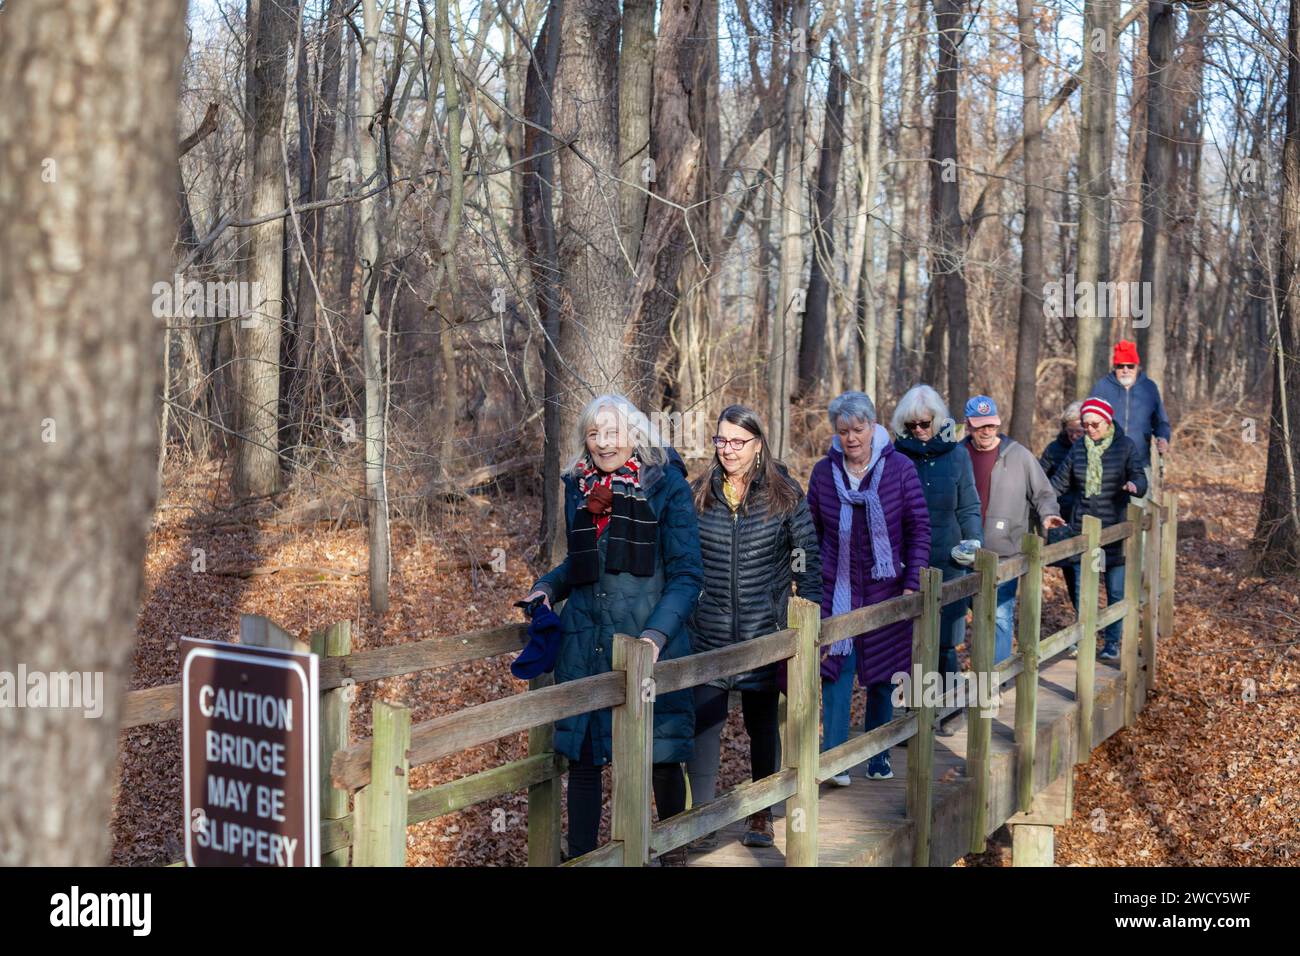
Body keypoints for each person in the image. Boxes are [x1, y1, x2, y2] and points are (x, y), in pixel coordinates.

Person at [523, 393, 703, 864]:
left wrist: (655, 636)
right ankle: (582, 857)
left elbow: (687, 575)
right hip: (586, 642)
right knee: (584, 759)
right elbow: (582, 565)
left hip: (646, 644)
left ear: (635, 434)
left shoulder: (667, 485)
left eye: (613, 432)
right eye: (594, 433)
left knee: (660, 758)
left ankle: (671, 852)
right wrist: (546, 587)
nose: (603, 443)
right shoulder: (577, 487)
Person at [686, 405, 821, 850]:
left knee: (762, 727)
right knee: (705, 728)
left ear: (758, 444)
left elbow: (808, 562)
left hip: (765, 634)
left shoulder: (784, 494)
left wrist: (804, 623)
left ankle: (761, 815)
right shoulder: (699, 493)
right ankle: (702, 821)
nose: (728, 450)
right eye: (721, 441)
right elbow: (683, 560)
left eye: (737, 442)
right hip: (709, 634)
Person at [807, 391, 930, 783]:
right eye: (843, 431)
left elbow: (919, 529)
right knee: (834, 671)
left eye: (858, 429)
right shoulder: (824, 474)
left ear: (873, 427)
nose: (852, 438)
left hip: (887, 588)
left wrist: (912, 583)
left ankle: (879, 754)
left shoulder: (900, 469)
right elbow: (811, 532)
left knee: (883, 675)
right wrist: (812, 581)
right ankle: (837, 758)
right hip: (837, 589)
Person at [891, 385, 982, 737]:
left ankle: (949, 709)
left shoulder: (957, 457)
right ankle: (909, 718)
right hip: (908, 562)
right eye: (912, 426)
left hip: (948, 558)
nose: (919, 431)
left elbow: (969, 505)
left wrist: (974, 541)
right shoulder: (897, 457)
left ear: (937, 420)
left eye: (924, 424)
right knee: (908, 641)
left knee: (945, 642)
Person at [961, 395, 1066, 665]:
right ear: (968, 425)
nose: (986, 431)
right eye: (980, 426)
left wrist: (1049, 514)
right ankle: (969, 679)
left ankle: (997, 682)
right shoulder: (957, 455)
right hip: (964, 551)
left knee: (999, 616)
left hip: (1005, 549)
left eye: (991, 425)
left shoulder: (1018, 455)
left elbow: (1043, 492)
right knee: (963, 615)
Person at [1049, 397, 1147, 661]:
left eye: (1095, 425)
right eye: (1086, 425)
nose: (1090, 430)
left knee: (1115, 591)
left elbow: (1139, 475)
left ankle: (1112, 643)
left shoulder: (1125, 446)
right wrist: (1044, 505)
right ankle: (1086, 639)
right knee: (1085, 591)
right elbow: (1059, 481)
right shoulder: (1079, 447)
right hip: (1084, 529)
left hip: (1115, 528)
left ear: (1107, 421)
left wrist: (1134, 486)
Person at [1089, 340, 1171, 478]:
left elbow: (1160, 421)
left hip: (1140, 462)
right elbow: (1088, 419)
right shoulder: (1102, 387)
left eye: (1130, 366)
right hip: (1106, 462)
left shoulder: (1149, 388)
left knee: (1139, 499)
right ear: (1115, 367)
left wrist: (1163, 438)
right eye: (1121, 366)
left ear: (1137, 366)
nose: (1125, 370)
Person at [1039, 401, 1085, 611]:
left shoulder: (1091, 449)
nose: (1075, 436)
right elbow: (1041, 479)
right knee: (1071, 574)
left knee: (1082, 577)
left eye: (1079, 431)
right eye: (1070, 431)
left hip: (1086, 519)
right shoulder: (1054, 449)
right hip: (1062, 519)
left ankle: (1086, 626)